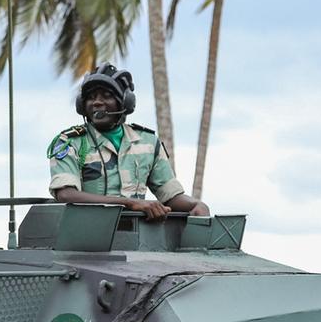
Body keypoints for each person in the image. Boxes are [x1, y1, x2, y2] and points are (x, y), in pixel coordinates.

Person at [48, 63, 209, 221]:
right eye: (90, 97)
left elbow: (170, 195)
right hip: (87, 236)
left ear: (125, 102)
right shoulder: (69, 142)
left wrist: (195, 204)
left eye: (106, 95)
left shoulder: (148, 143)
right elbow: (66, 194)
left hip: (138, 238)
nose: (96, 102)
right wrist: (130, 203)